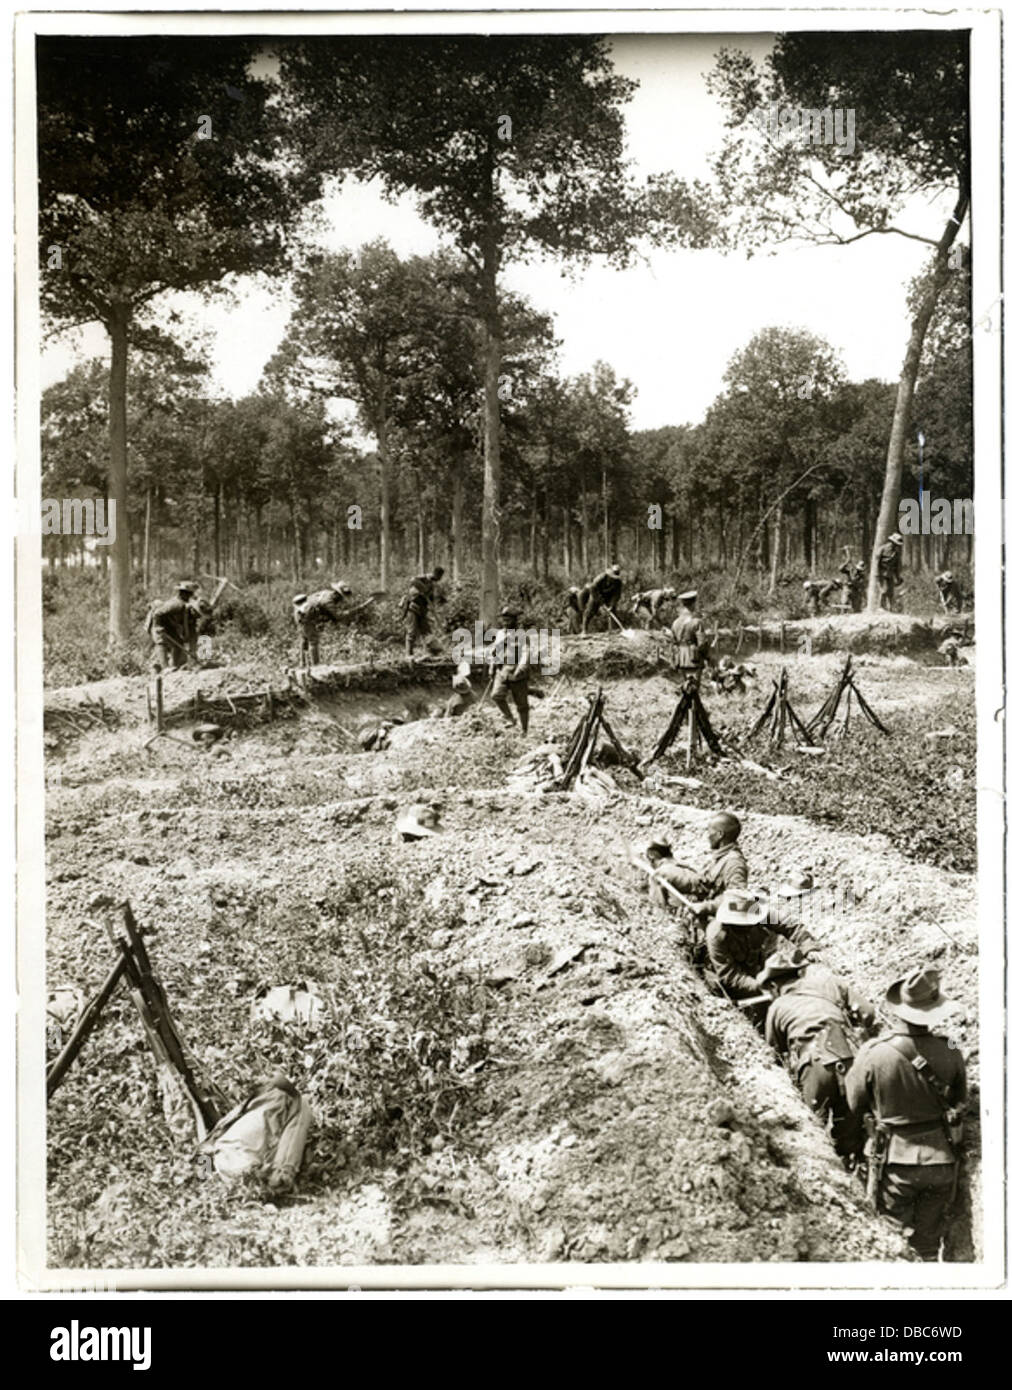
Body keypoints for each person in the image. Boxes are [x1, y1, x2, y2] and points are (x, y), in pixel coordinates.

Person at [846, 967, 966, 1260]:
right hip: (942, 1160)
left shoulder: (873, 1052)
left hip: (894, 1162)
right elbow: (960, 1100)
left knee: (892, 1242)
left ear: (898, 1008)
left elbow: (853, 1104)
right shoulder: (950, 1048)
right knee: (928, 1242)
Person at [760, 948, 876, 1158]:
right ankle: (851, 1168)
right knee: (850, 1130)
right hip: (851, 1061)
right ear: (799, 973)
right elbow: (868, 1012)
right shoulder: (829, 985)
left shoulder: (777, 1006)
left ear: (775, 986)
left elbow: (773, 1054)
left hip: (815, 1065)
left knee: (812, 1131)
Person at [649, 811, 749, 920]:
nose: (708, 836)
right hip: (702, 890)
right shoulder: (723, 856)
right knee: (661, 873)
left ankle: (660, 920)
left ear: (720, 834)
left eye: (710, 831)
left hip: (710, 908)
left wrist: (707, 907)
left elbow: (737, 900)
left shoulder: (734, 863)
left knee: (660, 875)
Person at [704, 889, 785, 1003]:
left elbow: (789, 925)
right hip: (734, 978)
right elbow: (729, 975)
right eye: (741, 925)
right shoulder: (717, 935)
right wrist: (759, 986)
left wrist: (809, 948)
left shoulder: (759, 915)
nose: (748, 927)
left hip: (755, 965)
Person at [486, 603, 532, 734]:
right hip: (502, 670)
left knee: (522, 705)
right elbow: (495, 650)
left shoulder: (522, 635)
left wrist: (521, 668)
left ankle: (524, 730)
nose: (505, 622)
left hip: (517, 672)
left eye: (508, 620)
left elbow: (526, 652)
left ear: (515, 620)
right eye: (503, 620)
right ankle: (510, 718)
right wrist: (492, 666)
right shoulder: (500, 634)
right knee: (496, 695)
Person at [293, 580, 353, 666]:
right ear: (337, 594)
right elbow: (339, 616)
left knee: (304, 639)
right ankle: (316, 666)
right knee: (313, 640)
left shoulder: (326, 593)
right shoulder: (328, 601)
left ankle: (303, 664)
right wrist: (353, 611)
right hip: (304, 616)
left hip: (299, 612)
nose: (341, 600)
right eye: (341, 597)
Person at [146, 581, 201, 672]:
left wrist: (194, 653)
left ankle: (175, 666)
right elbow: (157, 614)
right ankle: (165, 668)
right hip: (157, 622)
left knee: (178, 642)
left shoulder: (188, 608)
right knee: (161, 642)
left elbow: (192, 634)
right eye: (189, 594)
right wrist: (160, 629)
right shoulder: (176, 604)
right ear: (183, 594)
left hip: (169, 624)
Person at [402, 566, 445, 658]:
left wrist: (432, 605)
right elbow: (412, 580)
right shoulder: (423, 578)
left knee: (426, 631)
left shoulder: (432, 584)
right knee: (411, 632)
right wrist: (423, 589)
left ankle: (431, 652)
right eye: (438, 577)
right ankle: (408, 654)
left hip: (423, 610)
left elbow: (430, 599)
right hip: (413, 608)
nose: (438, 579)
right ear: (435, 574)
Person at [670, 590, 710, 673]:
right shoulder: (697, 622)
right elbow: (702, 644)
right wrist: (707, 657)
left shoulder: (675, 622)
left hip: (680, 660)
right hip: (694, 659)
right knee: (694, 685)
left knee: (685, 684)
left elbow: (673, 642)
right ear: (693, 604)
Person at [582, 564, 623, 634]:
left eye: (615, 578)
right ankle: (584, 630)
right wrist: (600, 601)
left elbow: (617, 595)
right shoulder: (601, 578)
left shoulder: (618, 583)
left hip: (608, 596)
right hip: (596, 594)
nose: (613, 579)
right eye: (612, 577)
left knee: (612, 611)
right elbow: (592, 588)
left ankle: (612, 630)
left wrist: (611, 605)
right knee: (589, 611)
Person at [876, 532, 904, 611]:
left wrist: (898, 578)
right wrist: (877, 574)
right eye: (895, 544)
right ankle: (880, 606)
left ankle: (890, 608)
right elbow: (877, 562)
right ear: (892, 542)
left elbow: (896, 567)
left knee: (890, 592)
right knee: (883, 591)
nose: (896, 546)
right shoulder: (882, 549)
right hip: (882, 573)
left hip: (890, 574)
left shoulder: (896, 553)